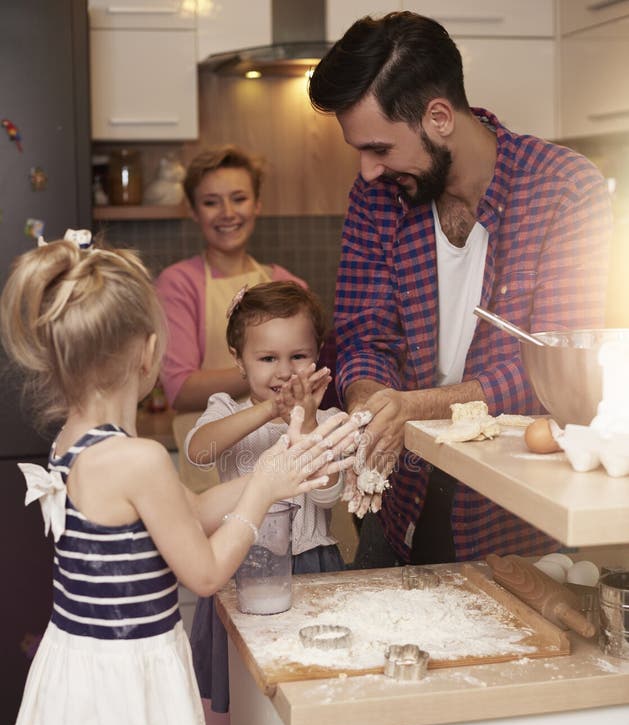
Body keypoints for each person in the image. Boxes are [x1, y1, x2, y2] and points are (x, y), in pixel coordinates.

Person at [0, 233, 356, 725]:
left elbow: (185, 510)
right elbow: (203, 572)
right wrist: (261, 488)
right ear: (146, 351)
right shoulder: (134, 459)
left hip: (83, 672)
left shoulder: (78, 441)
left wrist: (280, 478)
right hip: (122, 684)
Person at [308, 11, 613, 569]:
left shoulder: (565, 191)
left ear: (440, 117)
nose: (369, 171)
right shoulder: (376, 199)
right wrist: (373, 408)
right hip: (400, 502)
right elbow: (361, 336)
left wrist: (413, 409)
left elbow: (555, 372)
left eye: (379, 148)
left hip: (517, 519)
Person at [155, 144, 338, 489]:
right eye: (211, 202)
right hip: (215, 468)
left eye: (238, 198)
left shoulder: (288, 284)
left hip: (295, 460)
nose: (227, 213)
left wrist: (278, 379)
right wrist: (281, 380)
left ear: (257, 204)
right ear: (194, 211)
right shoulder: (179, 284)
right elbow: (180, 389)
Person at [187, 280, 347, 576]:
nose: (284, 371)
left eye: (298, 356)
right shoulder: (227, 410)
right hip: (242, 558)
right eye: (268, 358)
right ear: (239, 359)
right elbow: (198, 451)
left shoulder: (327, 422)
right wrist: (271, 409)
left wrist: (308, 424)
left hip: (312, 564)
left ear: (318, 353)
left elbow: (327, 496)